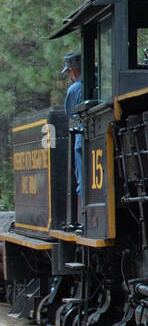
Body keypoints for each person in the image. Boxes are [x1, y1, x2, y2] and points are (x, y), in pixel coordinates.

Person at [62, 52, 82, 218]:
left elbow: (70, 117)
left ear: (74, 71)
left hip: (82, 139)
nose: (69, 75)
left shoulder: (74, 89)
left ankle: (83, 215)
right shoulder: (102, 82)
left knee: (82, 178)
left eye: (69, 72)